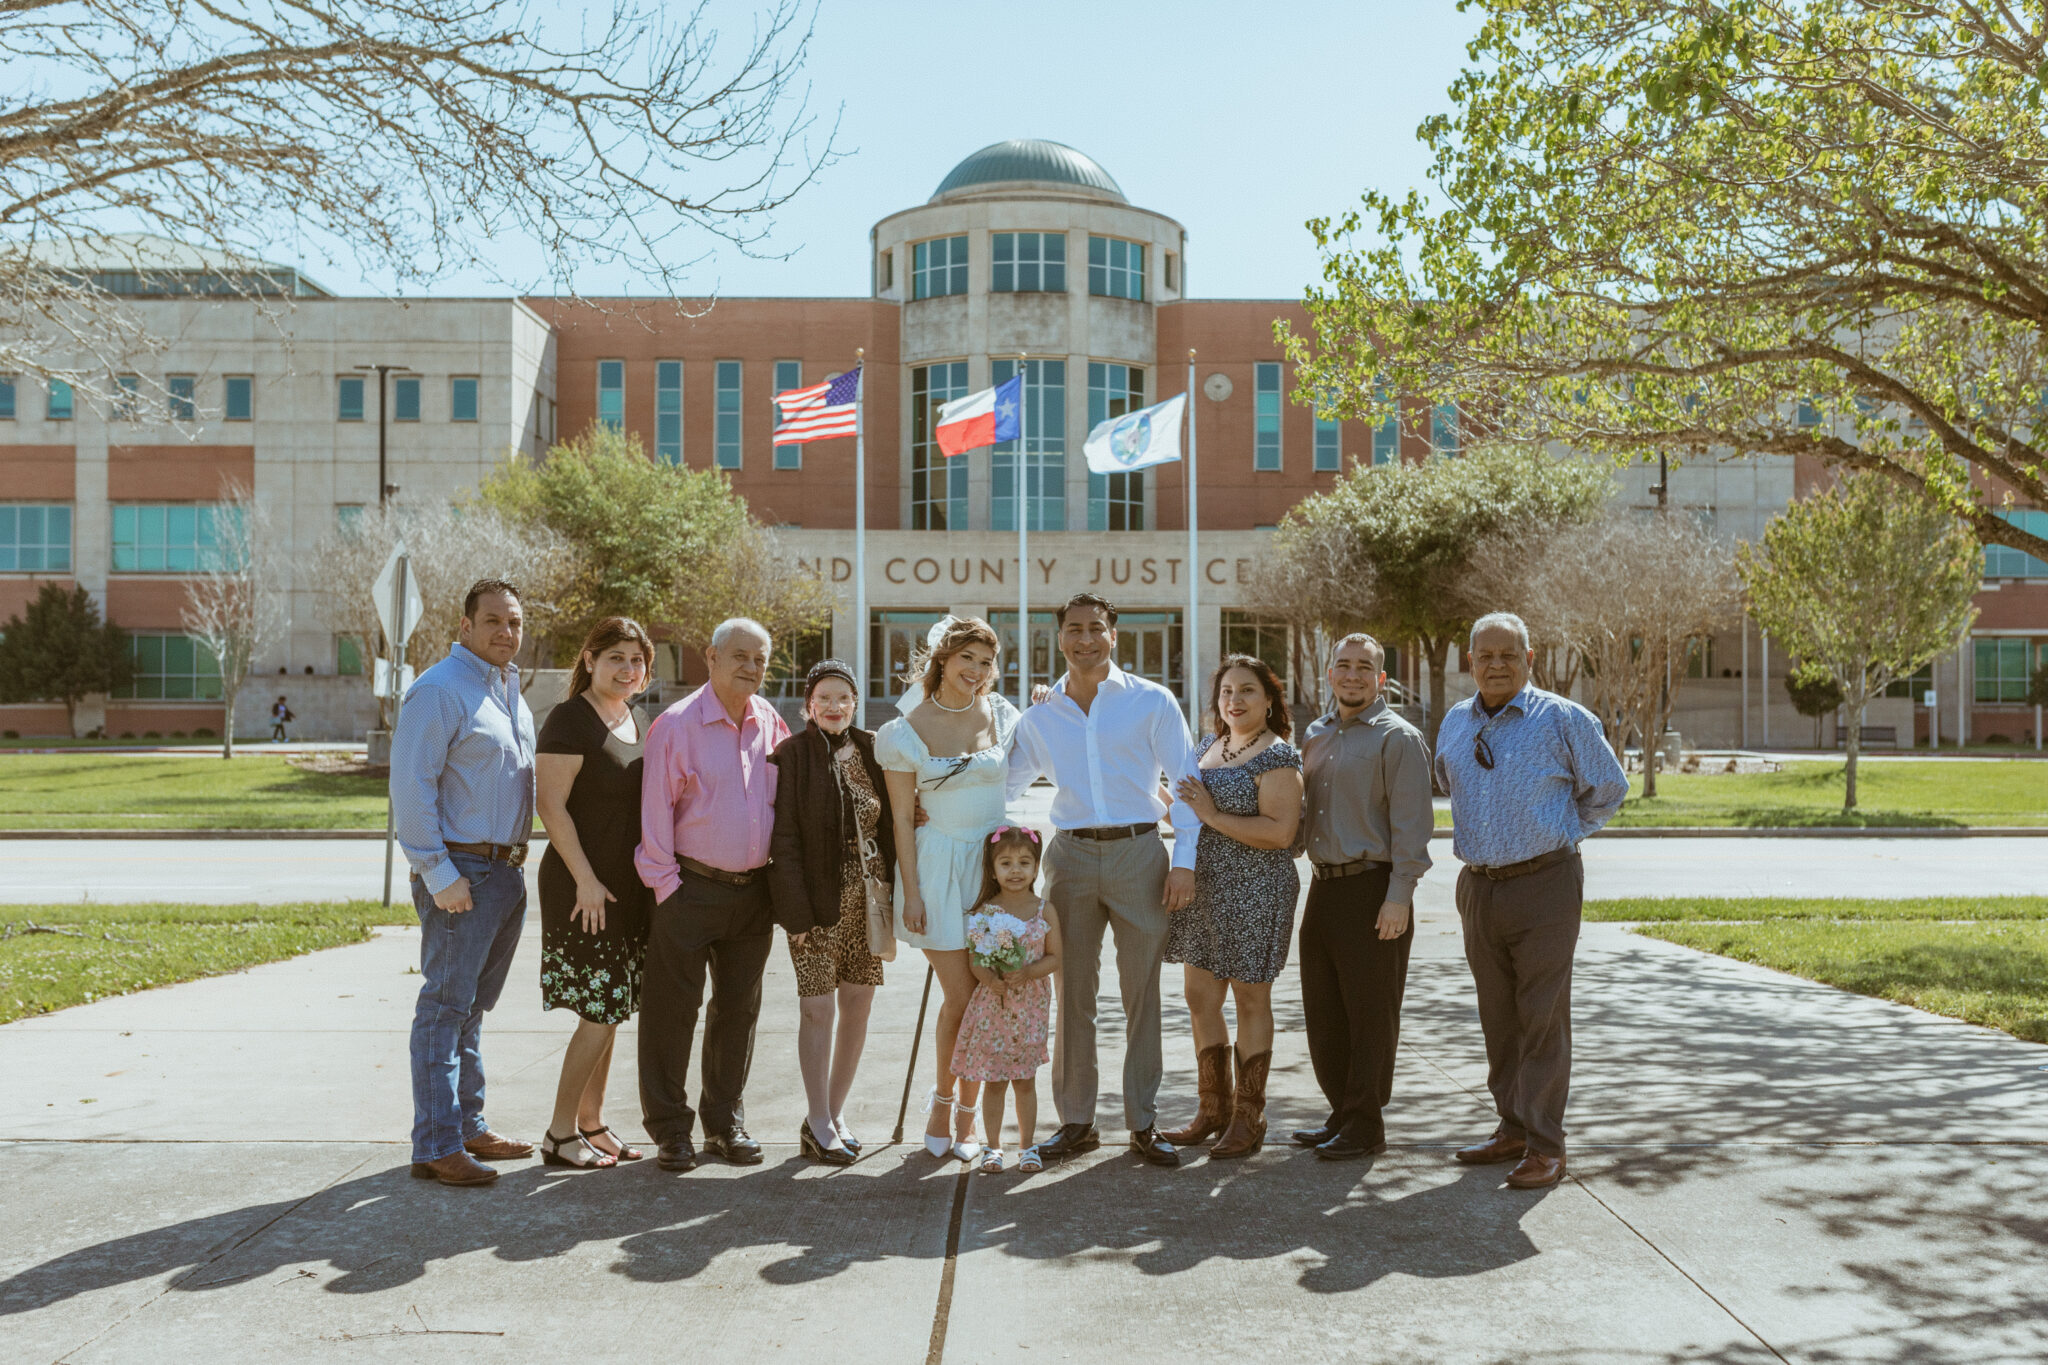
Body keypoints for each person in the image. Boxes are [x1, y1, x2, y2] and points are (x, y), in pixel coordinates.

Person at [1005, 592, 1200, 1168]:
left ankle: (1143, 1121)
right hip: (1068, 860)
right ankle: (1076, 1122)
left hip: (1140, 855)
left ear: (1114, 635)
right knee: (1073, 993)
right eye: (1073, 629)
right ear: (1058, 638)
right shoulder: (1041, 716)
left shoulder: (1151, 702)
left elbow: (1185, 782)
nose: (1085, 639)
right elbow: (1004, 787)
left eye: (1095, 628)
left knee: (1142, 992)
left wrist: (1184, 858)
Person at [1436, 611, 1628, 1190]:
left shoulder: (1563, 718)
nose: (1496, 665)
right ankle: (1512, 1127)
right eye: (1485, 656)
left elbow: (1609, 788)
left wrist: (1563, 830)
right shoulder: (1453, 722)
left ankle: (1547, 1146)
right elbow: (1449, 783)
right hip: (1478, 886)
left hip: (1545, 884)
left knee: (1541, 1019)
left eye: (1509, 655)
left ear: (1529, 660)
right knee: (1498, 1017)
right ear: (1469, 662)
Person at [389, 578, 537, 1187]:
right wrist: (437, 870)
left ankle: (468, 1126)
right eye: (494, 621)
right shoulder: (439, 690)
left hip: (505, 872)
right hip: (462, 871)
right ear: (465, 627)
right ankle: (436, 1143)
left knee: (473, 1010)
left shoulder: (507, 693)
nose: (507, 632)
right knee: (445, 1008)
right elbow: (411, 786)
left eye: (515, 622)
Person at [634, 617, 789, 1172]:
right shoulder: (677, 726)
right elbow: (654, 819)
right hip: (688, 889)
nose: (751, 667)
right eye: (741, 656)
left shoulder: (770, 722)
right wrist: (668, 889)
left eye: (761, 660)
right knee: (672, 1012)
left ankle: (724, 1123)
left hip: (753, 896)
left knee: (737, 1012)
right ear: (712, 657)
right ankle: (671, 1130)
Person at [874, 616, 1017, 1162]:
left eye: (986, 662)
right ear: (942, 659)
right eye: (967, 660)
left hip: (995, 871)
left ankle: (968, 1113)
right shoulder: (906, 729)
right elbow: (900, 822)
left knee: (988, 993)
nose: (977, 672)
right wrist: (911, 892)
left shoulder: (1003, 714)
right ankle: (942, 1102)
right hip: (936, 868)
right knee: (963, 993)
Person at [1292, 633, 1434, 1161]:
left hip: (1375, 889)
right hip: (1324, 889)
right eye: (1343, 666)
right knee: (1325, 1012)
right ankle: (1342, 1111)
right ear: (1329, 674)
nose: (1352, 675)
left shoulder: (1397, 738)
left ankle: (1366, 1122)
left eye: (1364, 667)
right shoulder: (1316, 735)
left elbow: (1413, 825)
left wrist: (1399, 896)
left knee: (1371, 1013)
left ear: (1381, 678)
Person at [1162, 655, 1303, 1159]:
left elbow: (1280, 832)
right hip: (1205, 889)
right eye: (1226, 692)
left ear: (1269, 700)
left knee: (1249, 997)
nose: (1234, 701)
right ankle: (1212, 1109)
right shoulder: (1208, 748)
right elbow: (1188, 810)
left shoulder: (1277, 756)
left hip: (1257, 887)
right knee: (1200, 996)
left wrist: (1211, 814)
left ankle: (1249, 1116)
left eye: (1246, 691)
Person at [534, 617, 656, 1170]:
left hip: (627, 888)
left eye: (636, 661)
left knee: (613, 1007)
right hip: (582, 886)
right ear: (589, 660)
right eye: (616, 658)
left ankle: (592, 1122)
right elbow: (550, 806)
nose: (627, 669)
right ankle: (560, 1133)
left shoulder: (637, 718)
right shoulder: (568, 720)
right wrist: (584, 878)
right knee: (599, 1011)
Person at [768, 658, 896, 1167]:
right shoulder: (792, 755)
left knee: (859, 1002)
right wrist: (796, 916)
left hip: (868, 899)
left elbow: (893, 812)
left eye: (844, 697)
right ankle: (816, 1118)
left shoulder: (872, 750)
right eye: (824, 697)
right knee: (817, 1009)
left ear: (855, 703)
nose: (835, 706)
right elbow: (783, 841)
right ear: (808, 705)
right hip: (815, 904)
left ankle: (834, 1113)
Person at [953, 825, 1061, 1174]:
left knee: (1025, 1080)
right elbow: (975, 961)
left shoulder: (1045, 910)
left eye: (1024, 863)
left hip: (1030, 1007)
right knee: (995, 1081)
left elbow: (1056, 957)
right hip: (994, 1008)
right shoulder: (986, 912)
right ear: (993, 868)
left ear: (1035, 868)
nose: (1015, 871)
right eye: (1006, 863)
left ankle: (1028, 1146)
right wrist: (990, 979)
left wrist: (1029, 972)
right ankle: (993, 1147)